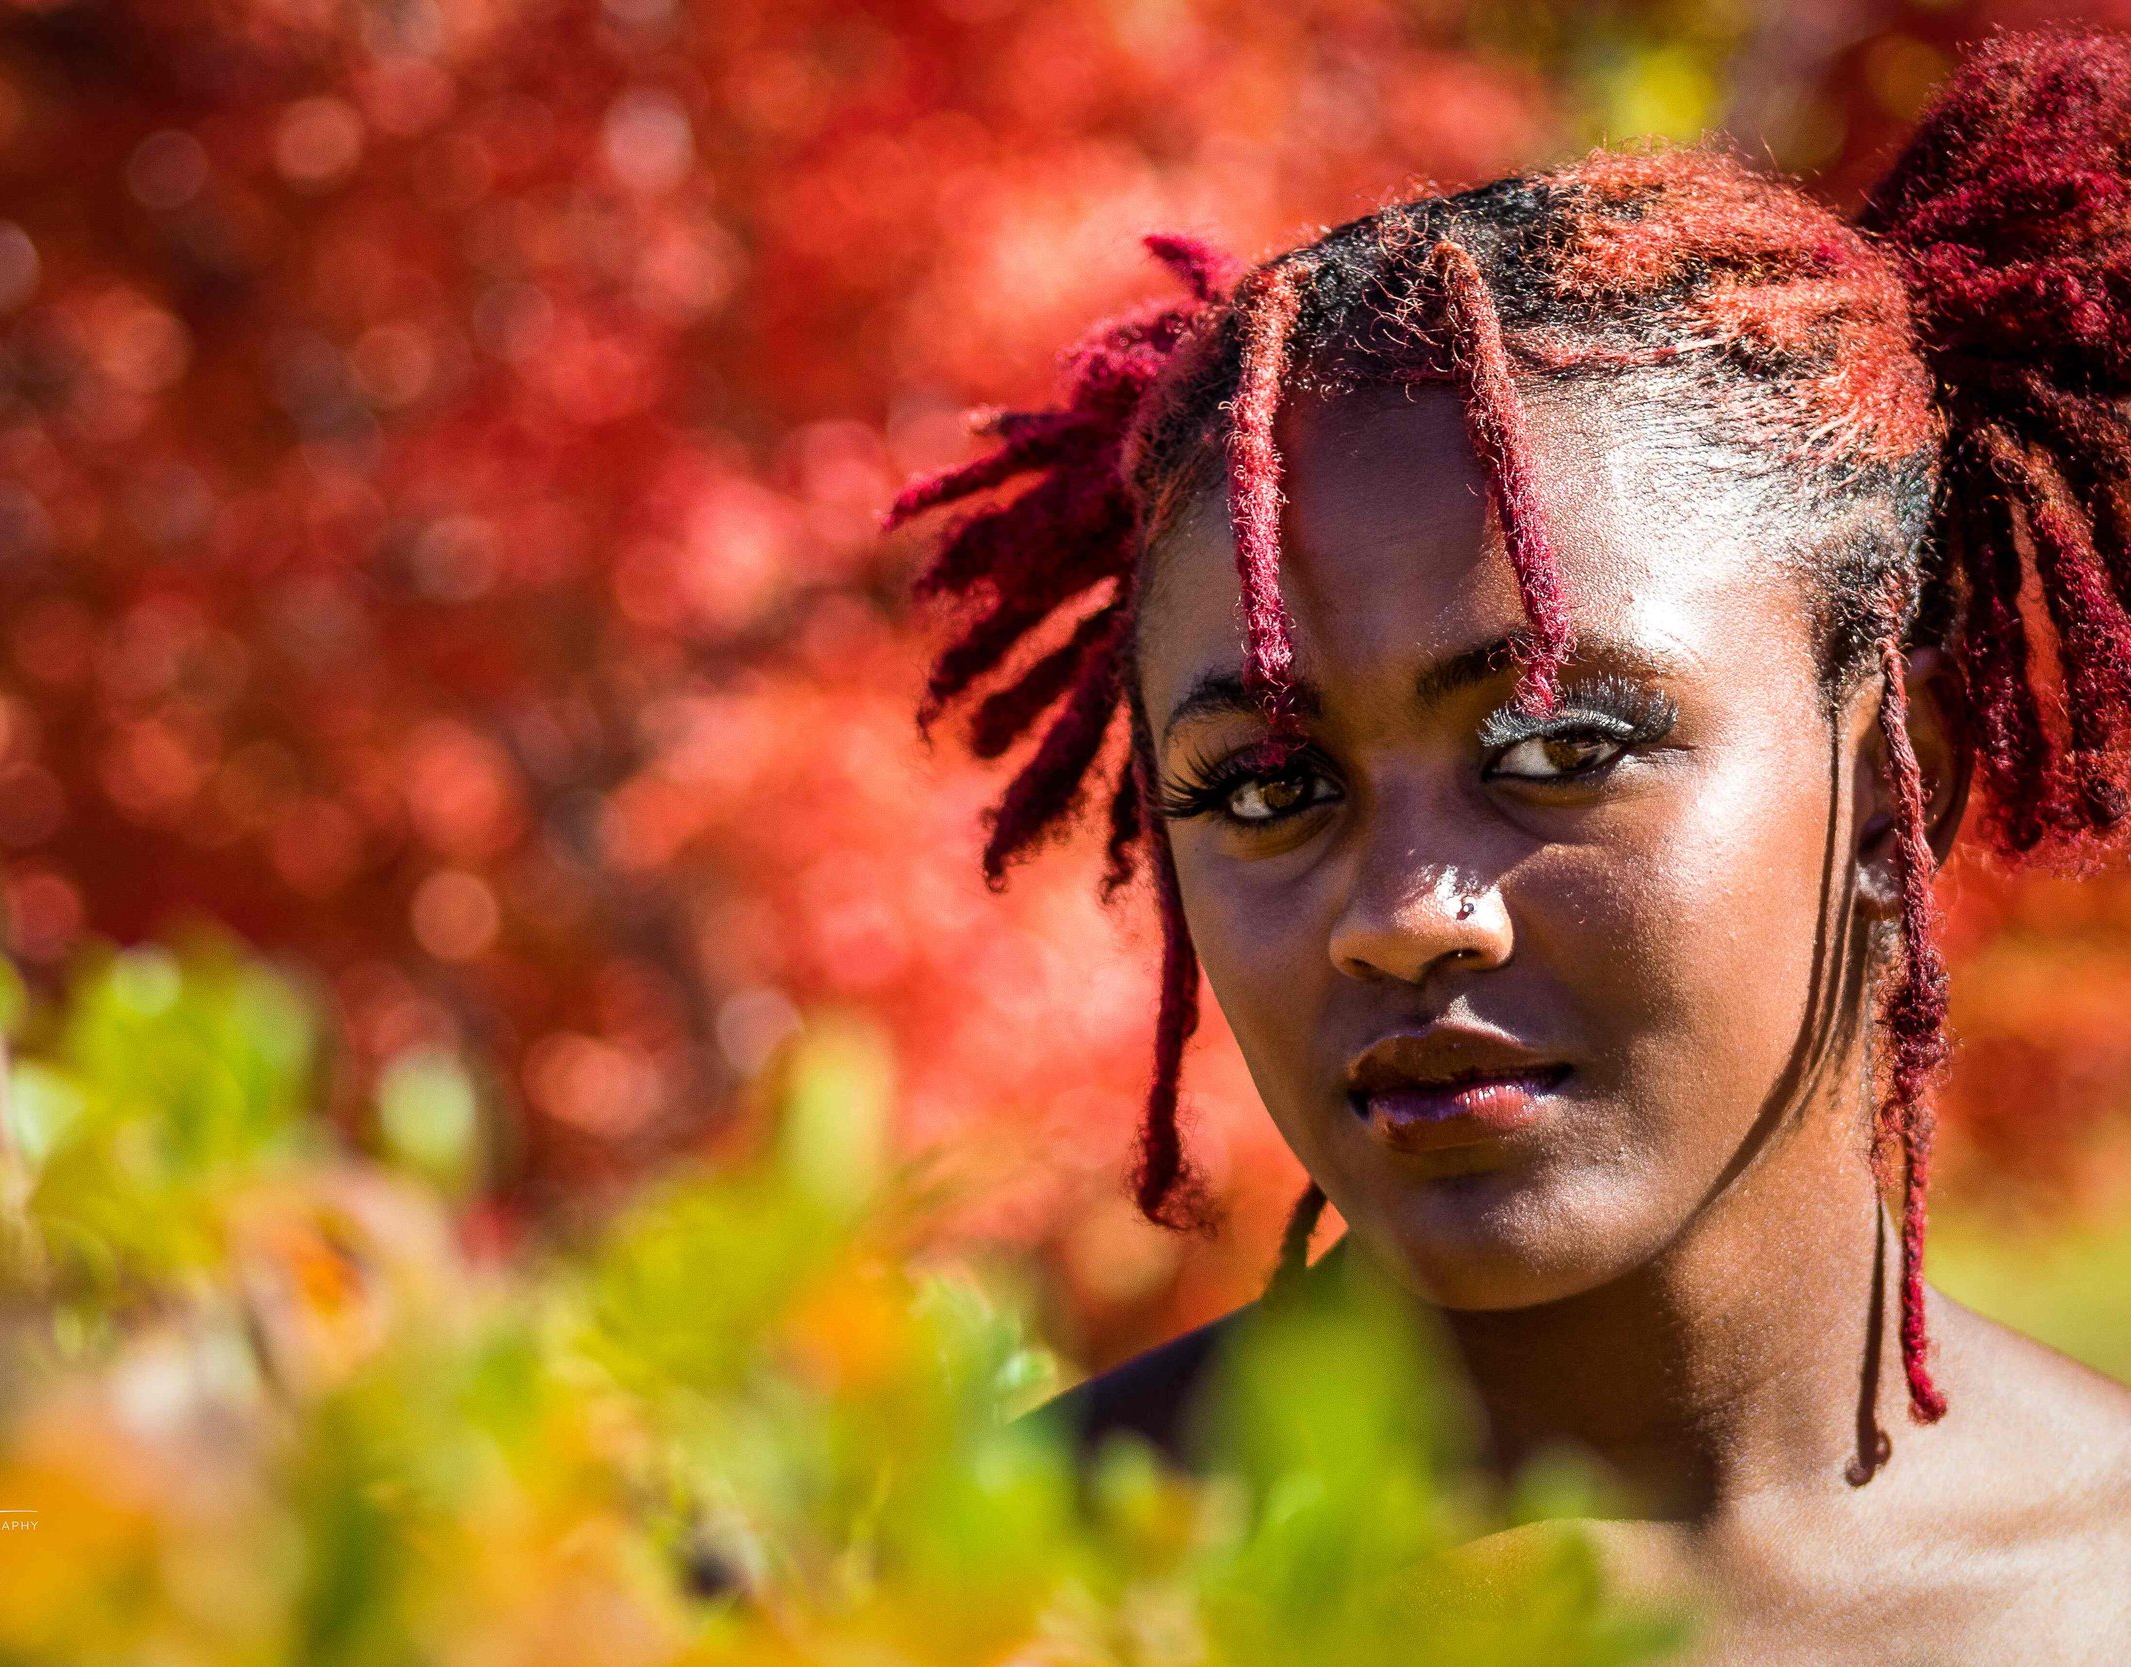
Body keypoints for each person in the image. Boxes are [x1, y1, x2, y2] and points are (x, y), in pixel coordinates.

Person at [889, 31, 2131, 1660]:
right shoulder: (960, 1608)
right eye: (1268, 790)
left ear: (1906, 795)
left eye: (1560, 749)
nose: (1407, 919)